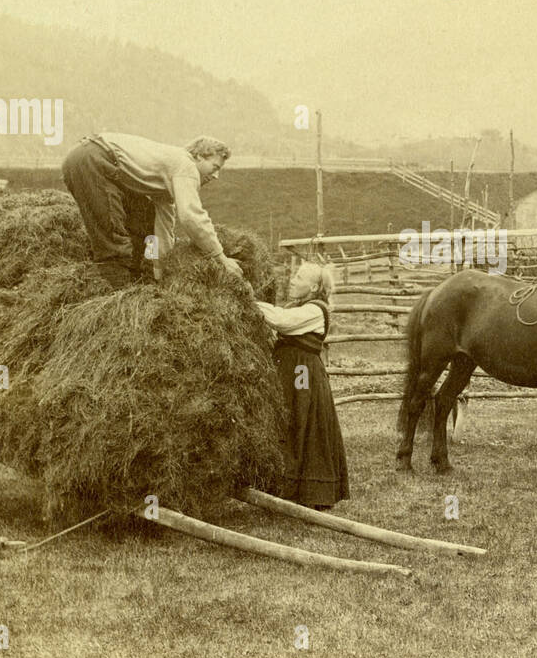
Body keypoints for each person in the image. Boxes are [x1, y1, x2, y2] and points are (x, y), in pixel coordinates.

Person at [61, 131, 245, 288]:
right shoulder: (186, 165)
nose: (216, 176)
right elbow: (191, 216)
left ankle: (142, 276)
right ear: (198, 157)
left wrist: (160, 272)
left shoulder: (170, 171)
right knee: (114, 237)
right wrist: (221, 258)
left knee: (145, 219)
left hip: (95, 158)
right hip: (94, 160)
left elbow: (163, 225)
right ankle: (117, 298)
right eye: (214, 167)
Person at [256, 263, 349, 509]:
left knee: (306, 425)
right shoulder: (296, 306)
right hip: (290, 374)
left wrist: (248, 300)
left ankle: (311, 492)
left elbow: (281, 320)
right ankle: (284, 489)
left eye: (299, 277)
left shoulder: (316, 311)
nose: (292, 280)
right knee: (289, 426)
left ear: (315, 287)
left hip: (303, 375)